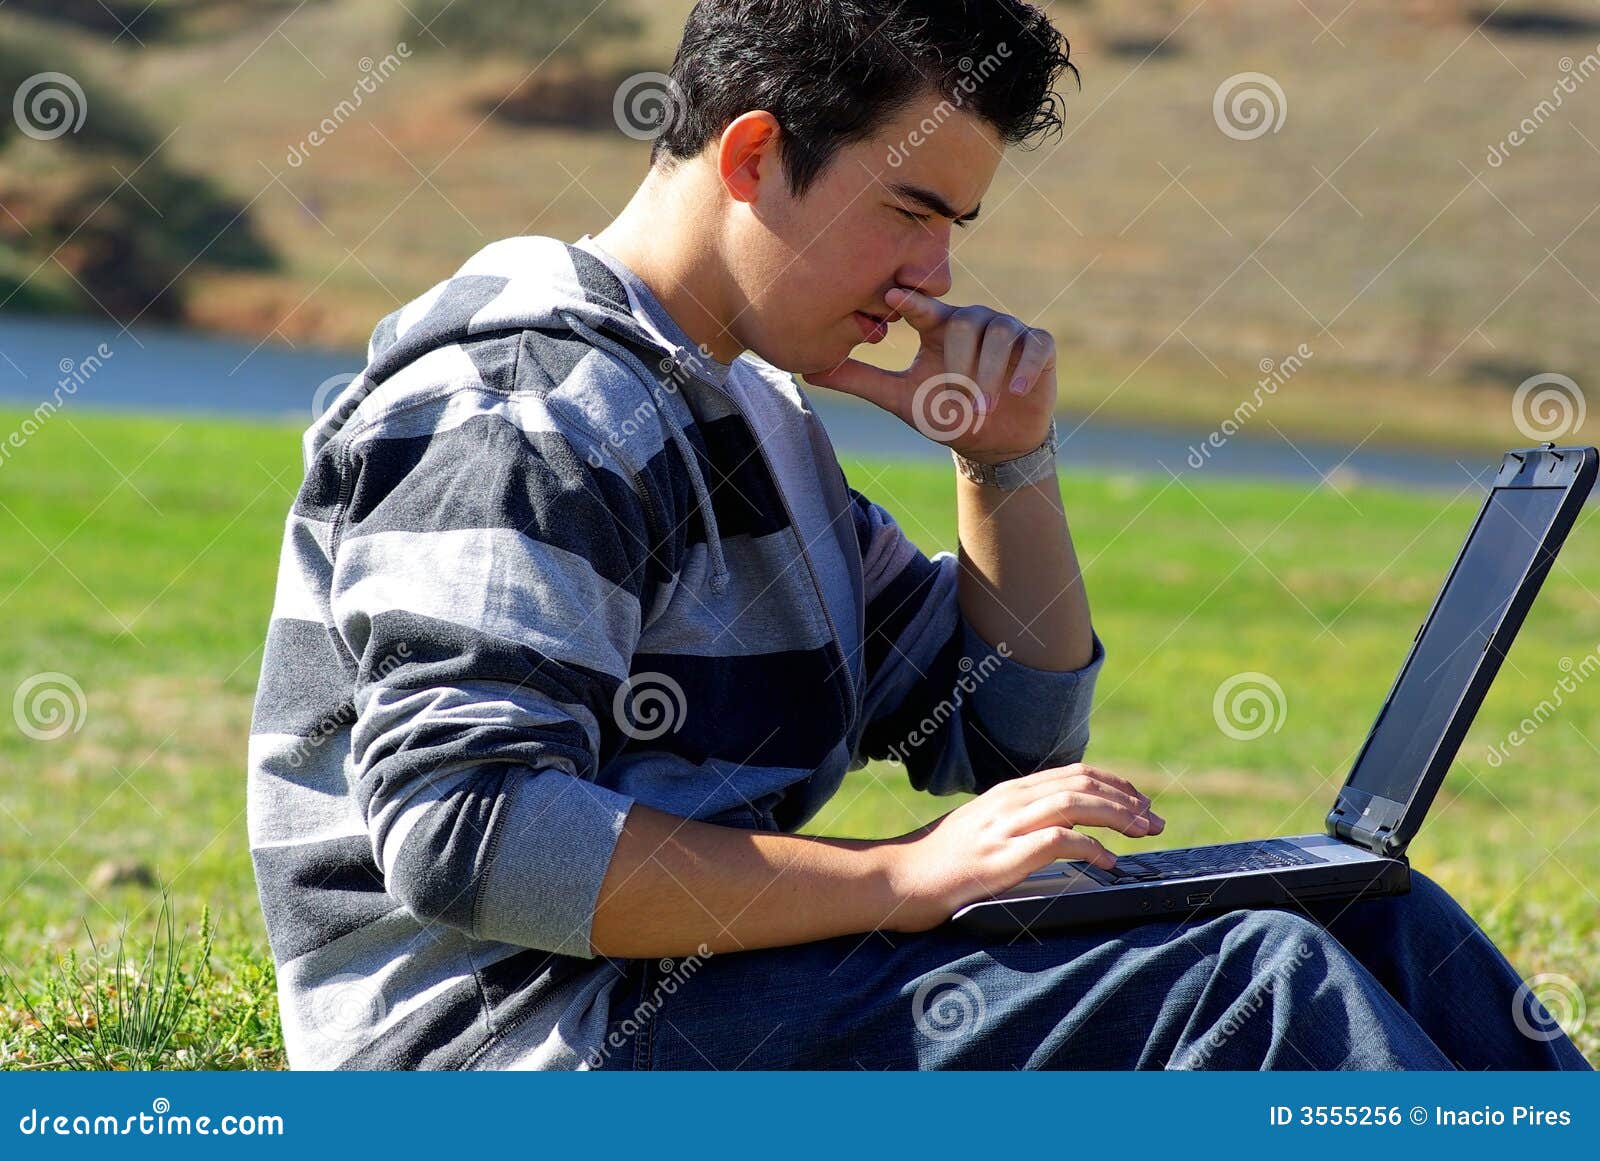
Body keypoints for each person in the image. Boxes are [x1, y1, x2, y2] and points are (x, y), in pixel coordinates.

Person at [245, 0, 1592, 1070]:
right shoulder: (525, 404)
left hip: (704, 996)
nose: (935, 277)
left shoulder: (747, 411)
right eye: (911, 211)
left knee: (1357, 912)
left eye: (955, 226)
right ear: (755, 154)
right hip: (519, 1049)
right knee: (1253, 991)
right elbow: (472, 832)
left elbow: (1001, 728)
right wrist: (895, 879)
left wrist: (1006, 460)